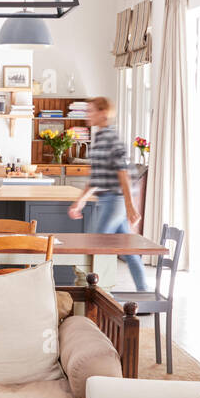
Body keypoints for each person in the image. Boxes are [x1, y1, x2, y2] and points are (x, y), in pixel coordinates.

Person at [68, 96, 148, 291]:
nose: (87, 115)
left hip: (115, 200)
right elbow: (96, 177)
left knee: (96, 245)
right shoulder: (99, 138)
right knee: (128, 249)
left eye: (90, 110)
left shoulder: (111, 138)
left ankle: (98, 293)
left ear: (103, 113)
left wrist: (130, 206)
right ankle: (143, 291)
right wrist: (80, 201)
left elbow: (123, 173)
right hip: (107, 200)